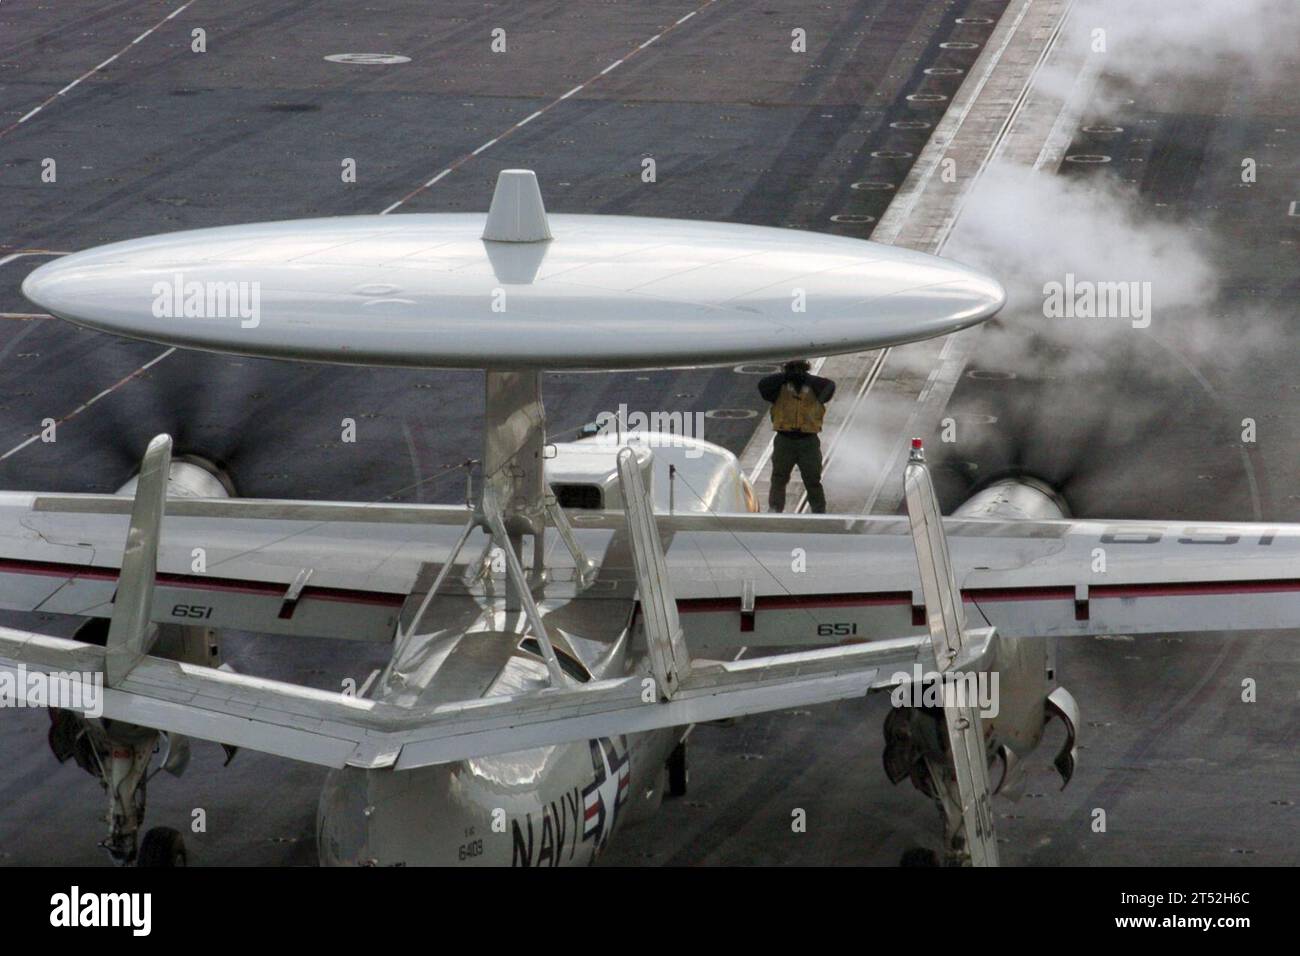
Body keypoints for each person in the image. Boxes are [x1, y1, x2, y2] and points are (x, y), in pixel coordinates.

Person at [757, 359, 836, 513]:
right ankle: (775, 508)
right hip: (785, 440)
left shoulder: (815, 387)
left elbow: (830, 387)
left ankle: (819, 511)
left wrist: (807, 379)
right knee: (779, 478)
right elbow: (763, 385)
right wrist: (785, 378)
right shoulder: (779, 387)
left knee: (812, 479)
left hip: (808, 441)